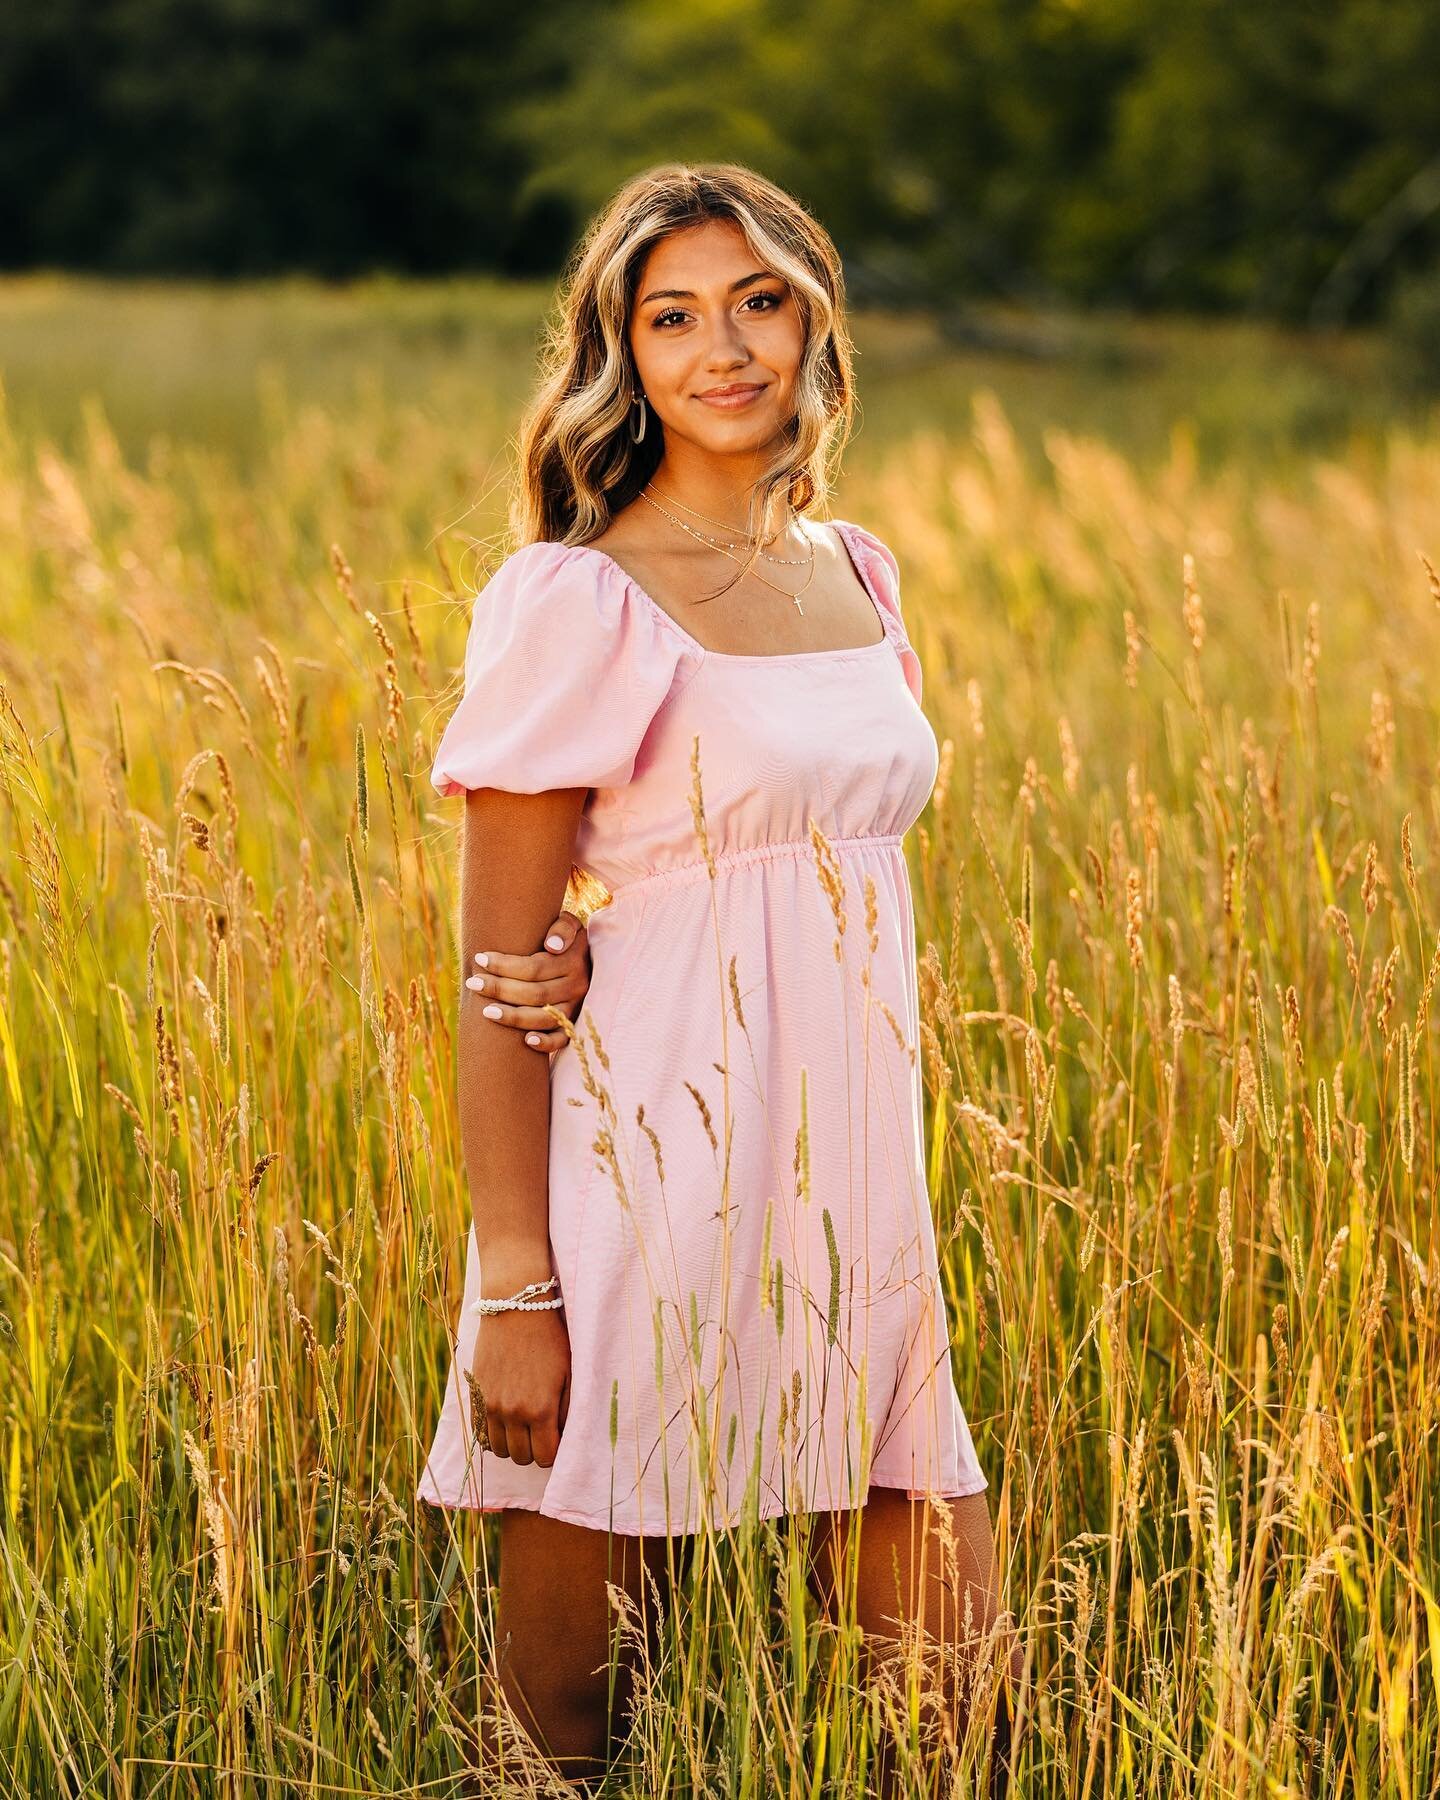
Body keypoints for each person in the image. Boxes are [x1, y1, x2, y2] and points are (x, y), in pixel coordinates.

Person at [417, 160, 1022, 1792]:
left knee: (948, 1712)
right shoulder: (575, 595)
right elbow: (494, 973)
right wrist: (519, 1286)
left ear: (812, 312)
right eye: (670, 317)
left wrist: (626, 918)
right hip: (642, 1200)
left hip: (859, 1205)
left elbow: (811, 852)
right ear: (622, 353)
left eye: (756, 300)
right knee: (560, 1735)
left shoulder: (862, 571)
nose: (723, 348)